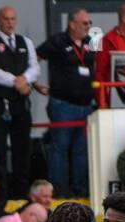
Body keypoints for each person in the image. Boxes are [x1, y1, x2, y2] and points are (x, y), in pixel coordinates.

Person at [36, 10, 95, 198]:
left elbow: (100, 64)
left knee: (81, 149)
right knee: (59, 147)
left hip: (86, 104)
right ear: (72, 24)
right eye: (84, 23)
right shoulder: (57, 41)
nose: (88, 26)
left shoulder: (90, 43)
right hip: (63, 104)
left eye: (89, 23)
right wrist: (34, 83)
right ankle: (57, 189)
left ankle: (80, 187)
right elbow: (34, 58)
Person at [0, 6, 39, 198]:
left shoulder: (25, 42)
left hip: (21, 104)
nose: (10, 23)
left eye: (13, 19)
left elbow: (35, 68)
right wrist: (16, 81)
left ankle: (21, 191)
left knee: (22, 149)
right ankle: (1, 191)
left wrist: (25, 79)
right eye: (6, 19)